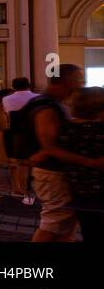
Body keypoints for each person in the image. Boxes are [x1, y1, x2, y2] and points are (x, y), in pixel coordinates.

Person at [32, 86, 104, 241]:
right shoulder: (99, 131)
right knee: (54, 224)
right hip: (99, 194)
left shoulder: (66, 129)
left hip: (80, 193)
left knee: (85, 230)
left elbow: (50, 149)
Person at [24, 65, 86, 241]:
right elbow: (49, 147)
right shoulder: (46, 107)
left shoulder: (52, 104)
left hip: (54, 172)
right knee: (53, 223)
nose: (81, 85)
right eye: (79, 80)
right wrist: (89, 162)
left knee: (66, 223)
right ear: (67, 81)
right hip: (51, 174)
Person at [4, 77, 37, 204]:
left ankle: (25, 193)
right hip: (34, 133)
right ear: (29, 84)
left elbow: (7, 114)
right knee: (33, 163)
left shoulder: (6, 99)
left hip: (17, 134)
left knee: (21, 164)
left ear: (13, 86)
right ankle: (34, 190)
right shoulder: (37, 97)